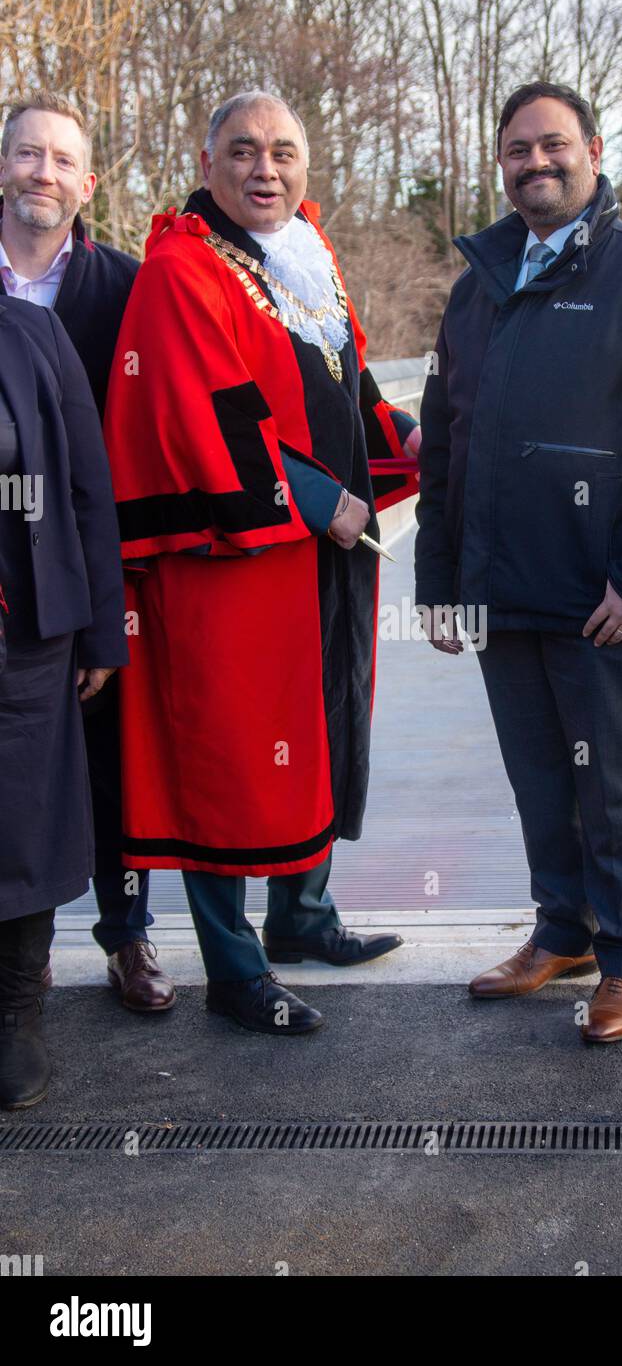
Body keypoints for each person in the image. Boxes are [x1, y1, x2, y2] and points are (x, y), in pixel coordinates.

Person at [415, 81, 622, 1043]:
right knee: (540, 776)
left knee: (616, 781)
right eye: (517, 150)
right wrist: (441, 582)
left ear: (594, 151)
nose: (535, 163)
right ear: (501, 164)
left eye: (553, 145)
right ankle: (565, 930)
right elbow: (447, 441)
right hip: (502, 591)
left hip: (605, 596)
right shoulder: (479, 285)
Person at [102, 90, 420, 1035]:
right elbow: (208, 415)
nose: (264, 168)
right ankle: (235, 970)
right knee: (229, 752)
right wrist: (328, 503)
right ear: (208, 165)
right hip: (228, 561)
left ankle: (303, 917)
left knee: (318, 723)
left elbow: (345, 380)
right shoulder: (180, 269)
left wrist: (410, 436)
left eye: (283, 150)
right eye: (242, 150)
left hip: (320, 558)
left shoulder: (303, 255)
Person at [0, 91, 175, 1012]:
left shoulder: (126, 284)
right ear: (3, 167)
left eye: (64, 161)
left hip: (81, 564)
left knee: (110, 760)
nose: (44, 175)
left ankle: (128, 936)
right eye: (29, 155)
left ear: (87, 181)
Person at [0, 294, 127, 1108]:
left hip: (26, 635)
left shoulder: (33, 333)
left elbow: (87, 487)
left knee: (25, 823)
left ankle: (16, 1015)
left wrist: (102, 630)